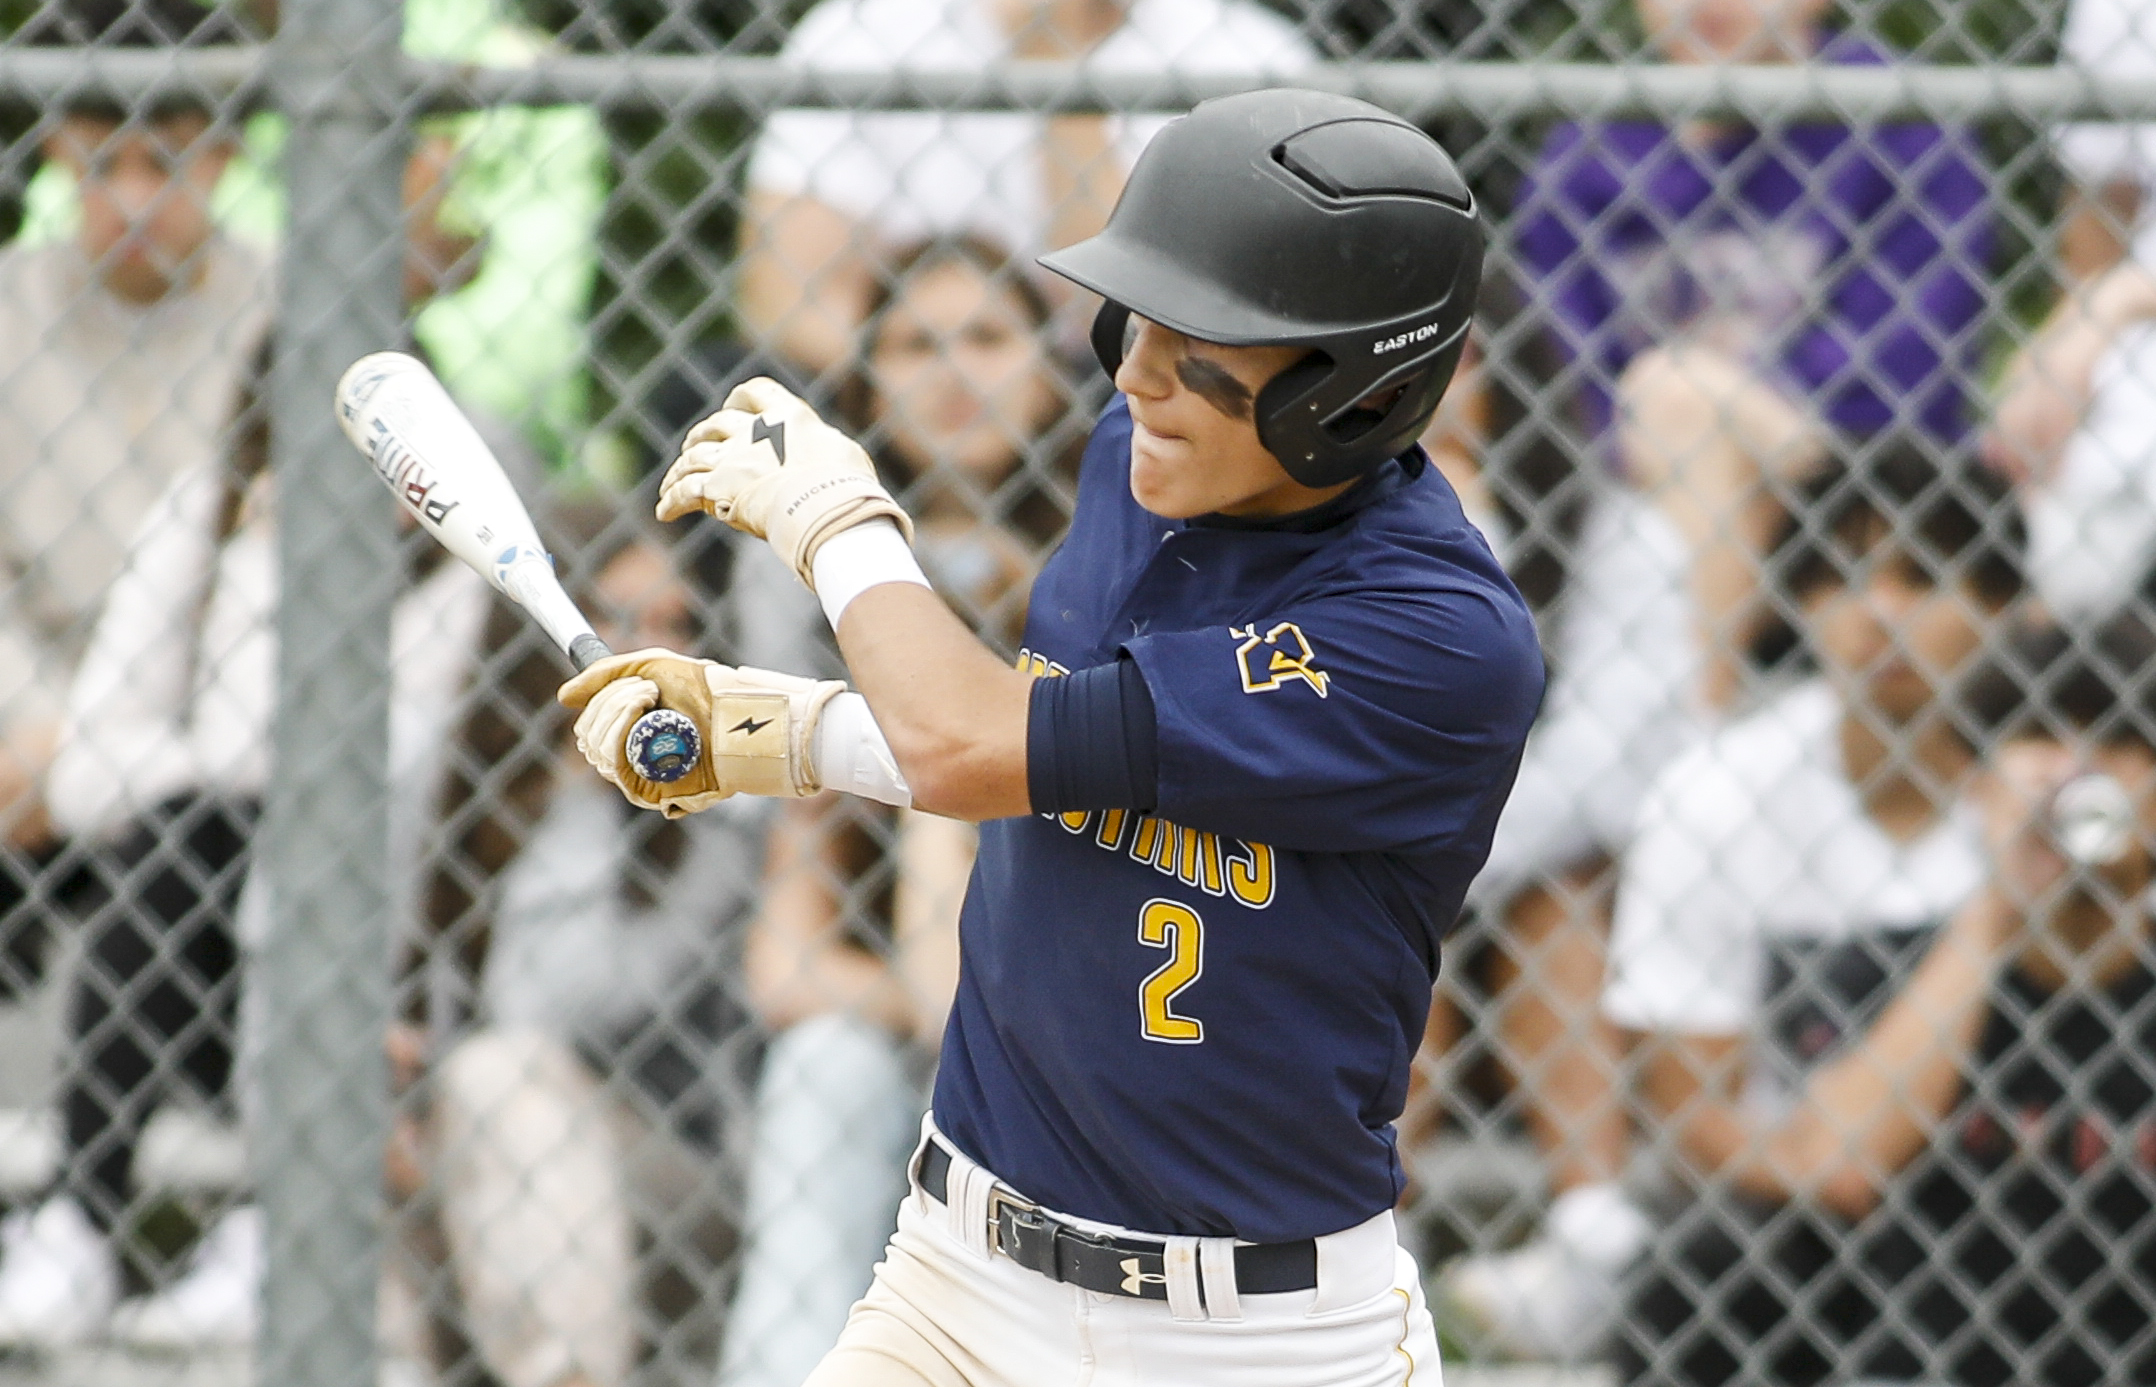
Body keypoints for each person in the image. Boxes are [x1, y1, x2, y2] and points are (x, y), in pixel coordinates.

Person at [561, 89, 1537, 1385]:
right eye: (1134, 322)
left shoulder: (1430, 636)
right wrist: (789, 735)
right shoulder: (1135, 464)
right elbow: (1049, 756)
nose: (1134, 375)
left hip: (1248, 1335)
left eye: (1204, 351)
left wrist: (841, 527)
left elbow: (974, 745)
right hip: (955, 1278)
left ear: (1358, 394)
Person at [1442, 0, 1995, 1353]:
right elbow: (1543, 386)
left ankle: (1650, 765)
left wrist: (1715, 407)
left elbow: (1902, 385)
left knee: (1687, 392)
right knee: (1575, 870)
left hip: (1857, 506)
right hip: (1647, 535)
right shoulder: (1595, 139)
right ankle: (1594, 1226)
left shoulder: (1895, 115)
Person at [715, 234, 1080, 1387]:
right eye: (916, 343)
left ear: (1046, 365)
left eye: (984, 336)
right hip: (898, 1041)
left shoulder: (1110, 561)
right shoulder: (821, 569)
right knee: (824, 1065)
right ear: (867, 383)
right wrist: (924, 1003)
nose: (952, 370)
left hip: (1095, 1016)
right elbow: (788, 963)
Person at [1619, 610, 2156, 1387]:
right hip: (1932, 1358)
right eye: (2040, 740)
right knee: (1697, 1267)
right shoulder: (1905, 966)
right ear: (1976, 779)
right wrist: (1997, 912)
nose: (2074, 774)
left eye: (2113, 743)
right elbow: (1837, 1163)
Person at [1598, 447, 2030, 1382]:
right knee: (1703, 1266)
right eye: (1841, 575)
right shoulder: (1714, 795)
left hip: (2025, 1200)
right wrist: (1821, 1156)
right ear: (1797, 603)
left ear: (2006, 611)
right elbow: (1688, 1115)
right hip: (1797, 1227)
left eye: (1927, 576)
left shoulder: (2058, 796)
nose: (1879, 614)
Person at [382, 505, 823, 1387]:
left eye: (676, 628)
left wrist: (594, 790)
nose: (649, 656)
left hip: (664, 1165)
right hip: (469, 1141)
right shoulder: (454, 776)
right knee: (357, 1115)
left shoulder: (708, 819)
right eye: (617, 622)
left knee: (501, 1077)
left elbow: (568, 1005)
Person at [734, 0, 1312, 379]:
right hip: (895, 375)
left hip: (1111, 372)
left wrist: (1052, 62)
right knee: (728, 384)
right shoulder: (863, 28)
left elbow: (1129, 307)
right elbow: (784, 298)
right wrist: (938, 378)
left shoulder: (1243, 51)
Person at [1983, 0, 2156, 620]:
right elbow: (2097, 228)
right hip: (2135, 384)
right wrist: (2061, 354)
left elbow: (2112, 285)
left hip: (2132, 312)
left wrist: (2122, 299)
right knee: (2019, 608)